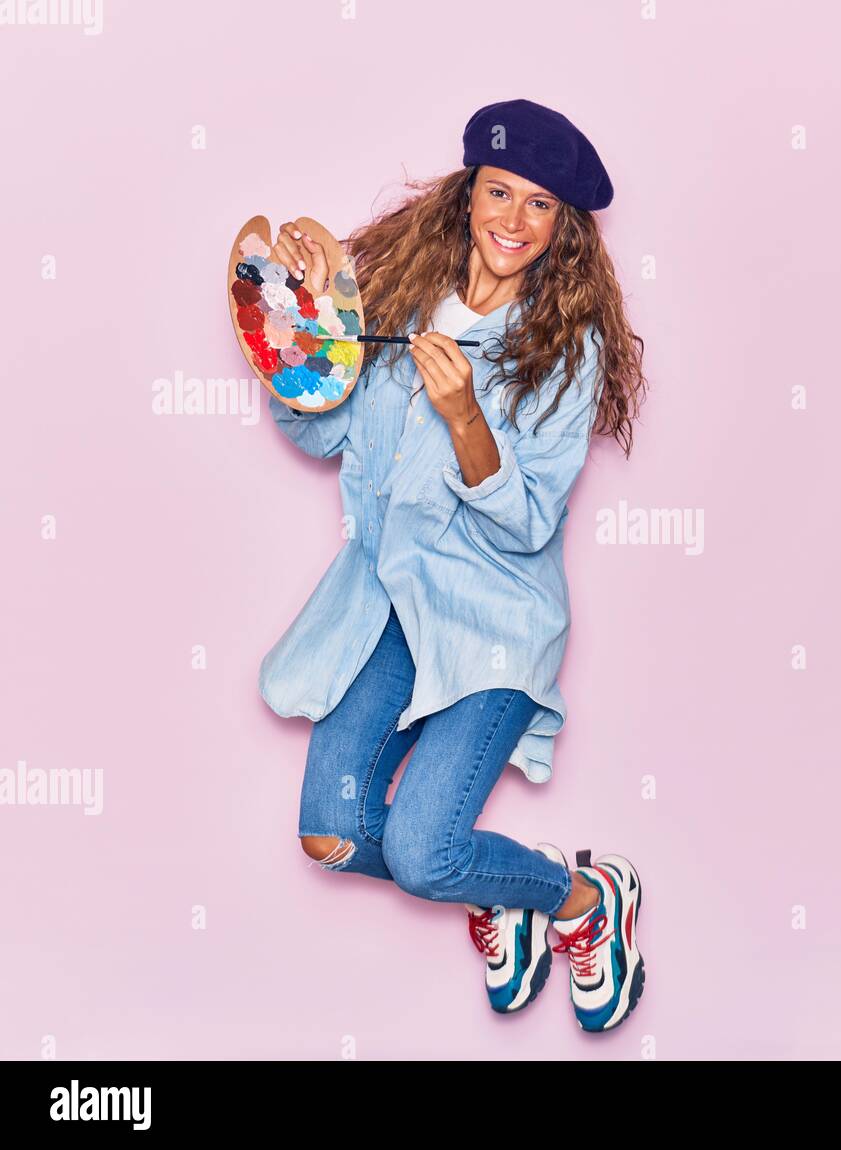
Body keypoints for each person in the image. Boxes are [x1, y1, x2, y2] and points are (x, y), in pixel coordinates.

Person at [257, 99, 648, 1032]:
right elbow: (321, 434)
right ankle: (500, 887)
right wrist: (298, 335)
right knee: (333, 835)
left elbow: (524, 527)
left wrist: (468, 416)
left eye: (541, 205)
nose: (514, 221)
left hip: (492, 622)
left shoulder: (566, 351)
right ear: (468, 194)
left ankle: (584, 899)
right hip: (387, 607)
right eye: (500, 192)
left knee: (428, 854)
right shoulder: (395, 303)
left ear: (566, 229)